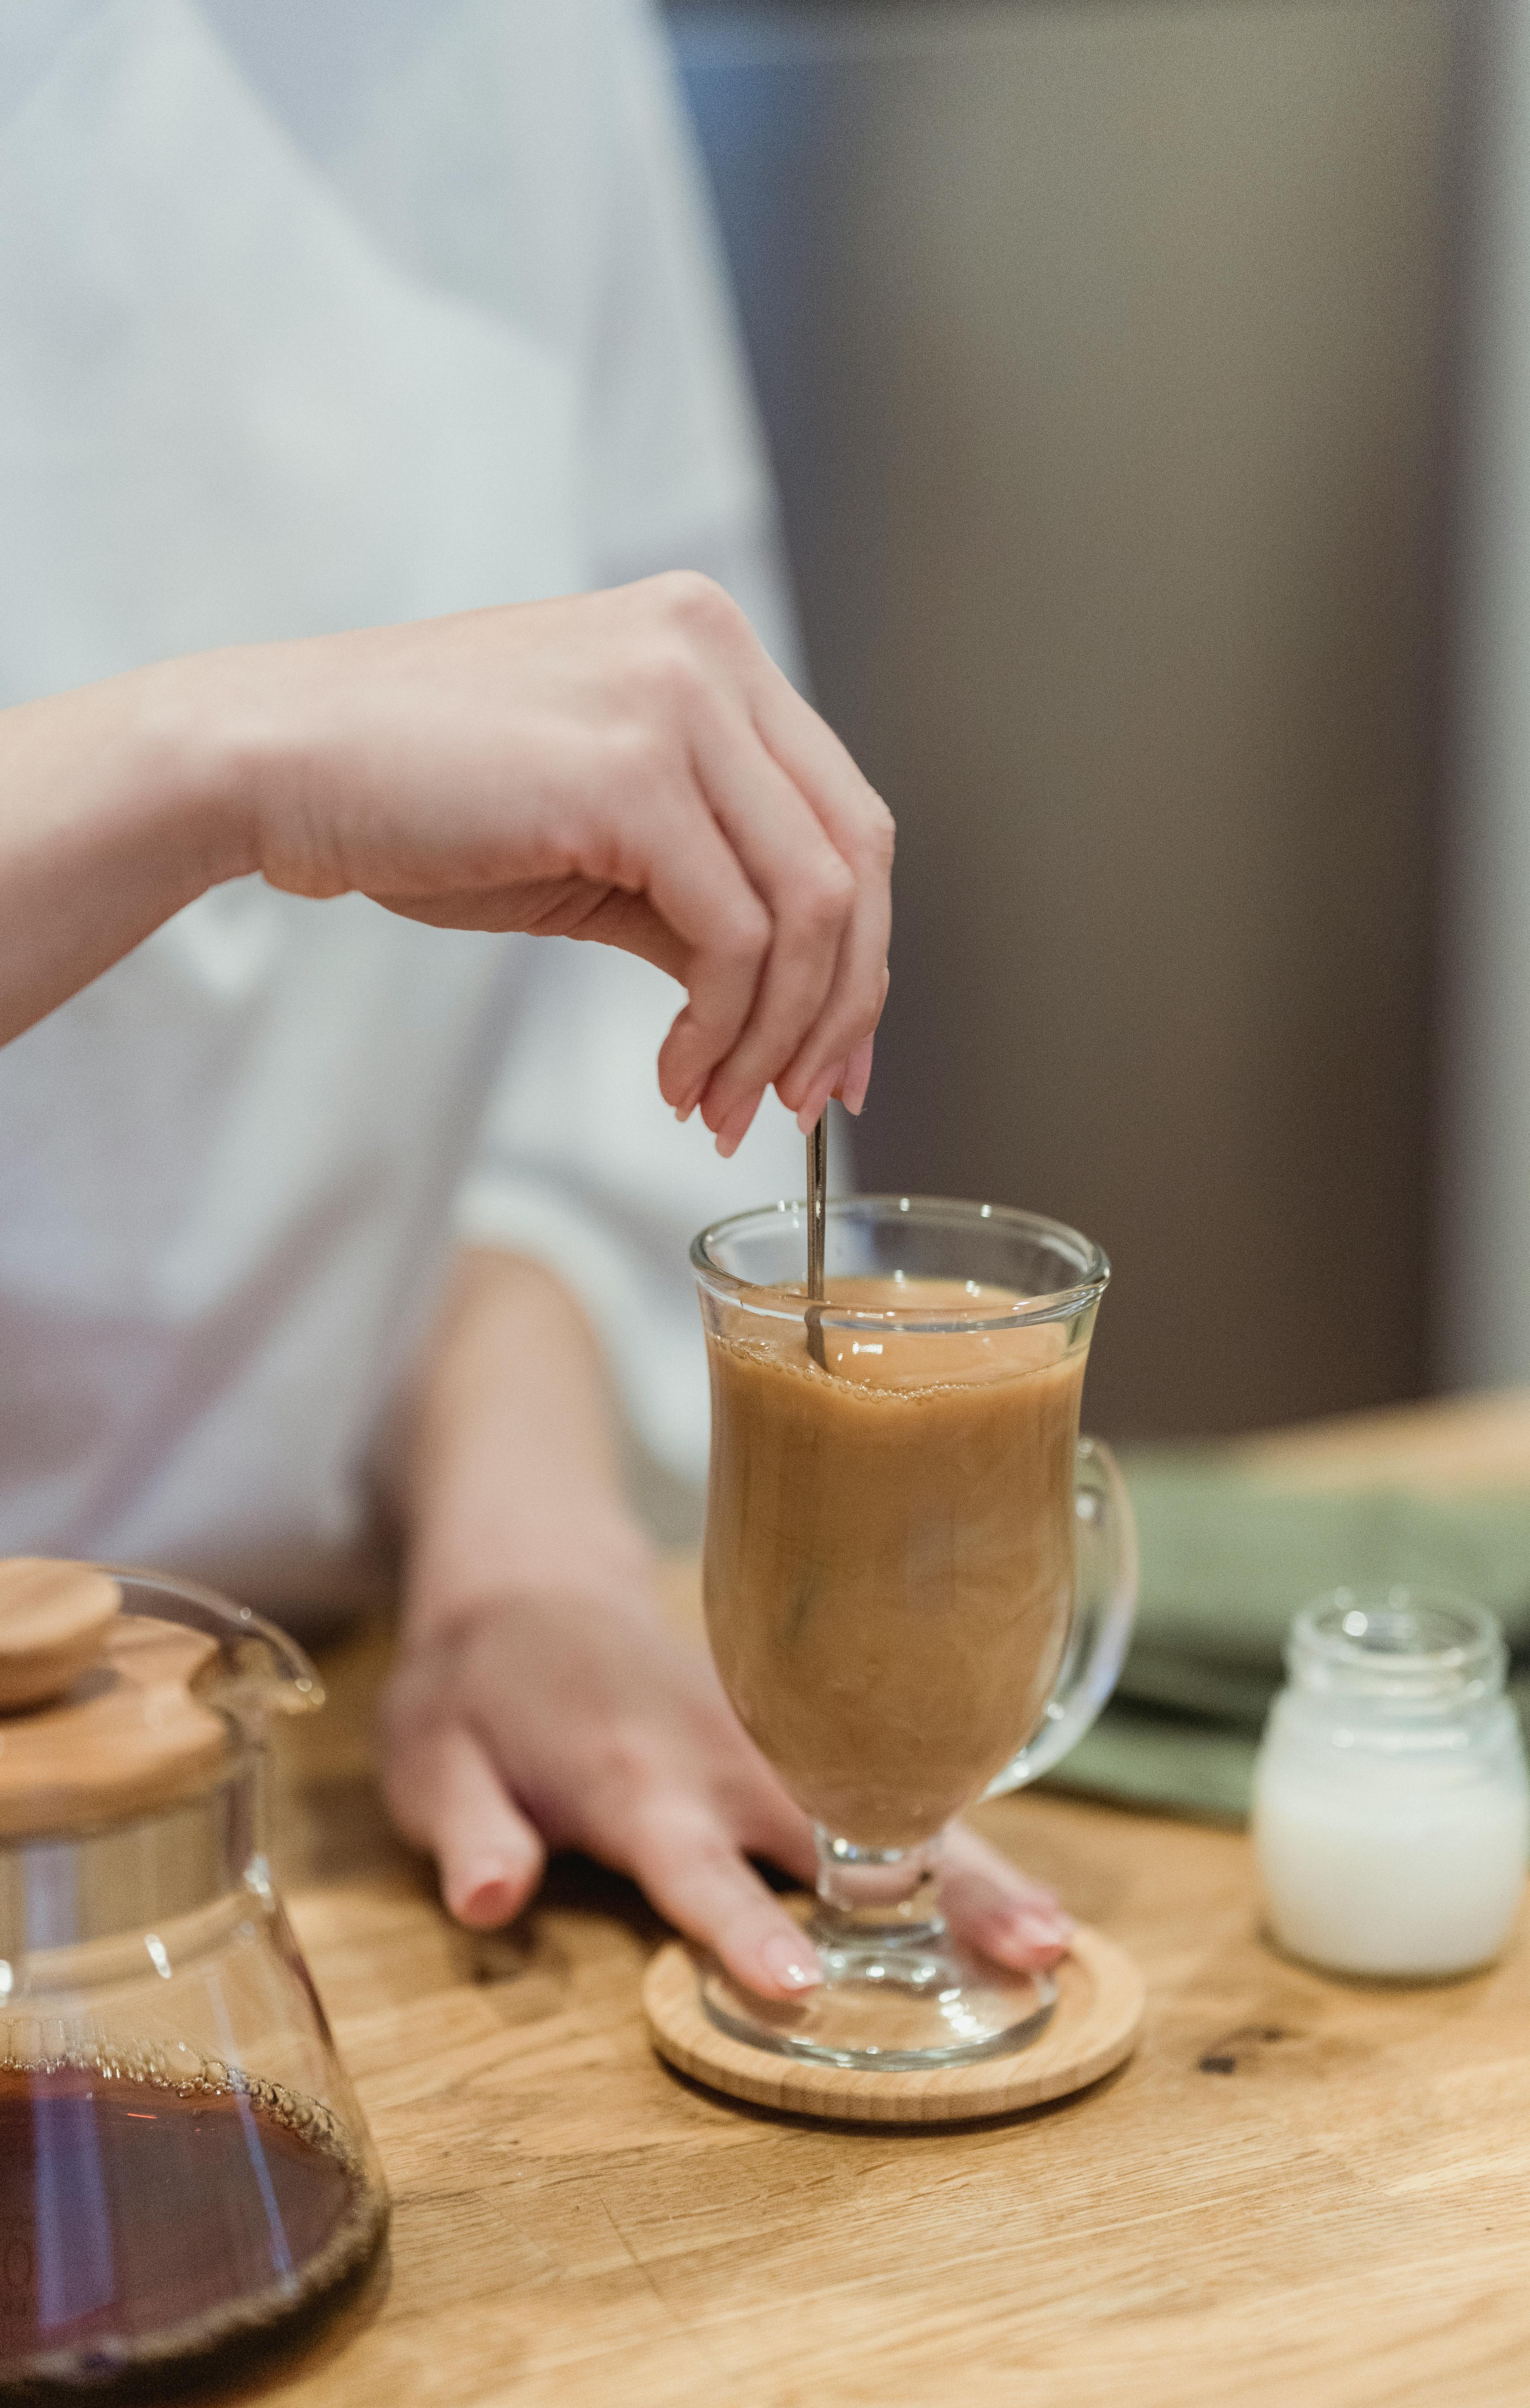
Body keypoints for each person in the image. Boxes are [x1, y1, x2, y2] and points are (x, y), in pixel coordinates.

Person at [0, 0, 1075, 1996]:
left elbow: (579, 989)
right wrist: (221, 762)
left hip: (299, 1739)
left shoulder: (524, 42)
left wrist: (522, 1553)